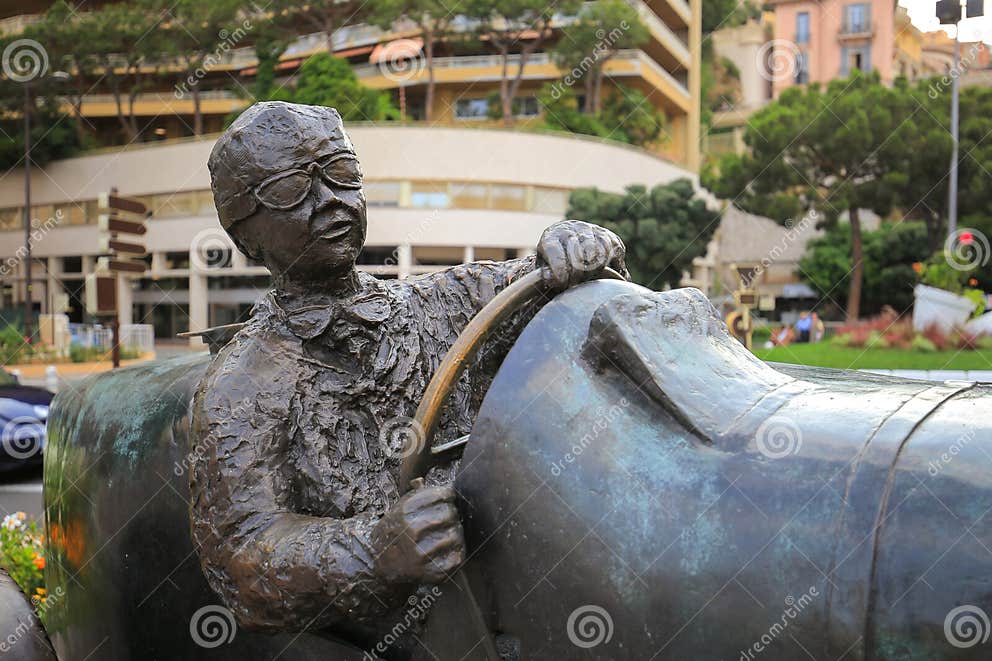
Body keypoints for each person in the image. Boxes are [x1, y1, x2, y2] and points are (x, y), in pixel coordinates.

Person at [189, 102, 627, 655]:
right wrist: (373, 550)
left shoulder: (448, 300)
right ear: (244, 237)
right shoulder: (240, 386)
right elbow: (242, 561)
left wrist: (579, 244)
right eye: (290, 191)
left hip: (531, 587)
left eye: (341, 174)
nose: (330, 200)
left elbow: (548, 279)